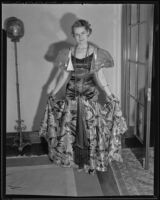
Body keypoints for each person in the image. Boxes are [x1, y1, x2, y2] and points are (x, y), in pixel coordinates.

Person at [39, 19, 127, 174]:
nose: (80, 37)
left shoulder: (96, 53)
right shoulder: (68, 52)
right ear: (73, 35)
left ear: (88, 33)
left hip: (89, 95)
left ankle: (89, 161)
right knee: (70, 128)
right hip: (71, 94)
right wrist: (53, 91)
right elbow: (64, 75)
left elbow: (100, 77)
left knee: (89, 127)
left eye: (83, 33)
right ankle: (75, 160)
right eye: (77, 34)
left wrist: (109, 94)